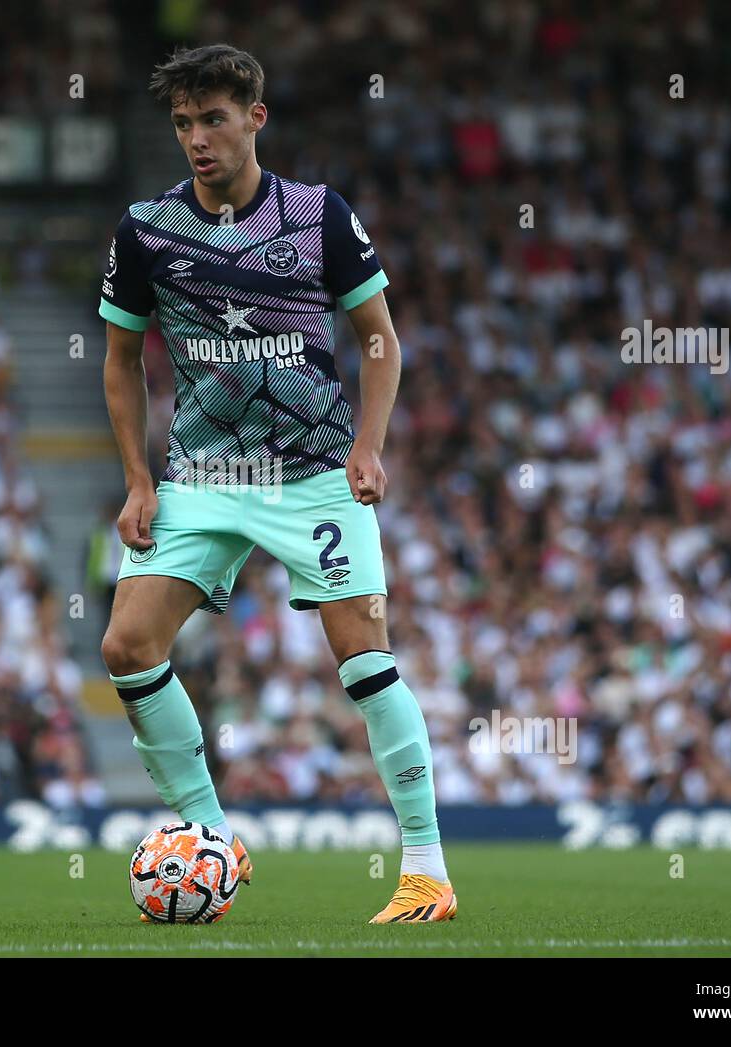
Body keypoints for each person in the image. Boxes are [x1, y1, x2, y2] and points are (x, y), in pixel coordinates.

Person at [98, 43, 456, 924]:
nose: (197, 139)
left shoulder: (319, 216)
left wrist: (369, 445)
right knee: (126, 645)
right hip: (206, 473)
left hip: (315, 472)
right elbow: (118, 361)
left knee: (365, 660)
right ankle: (210, 836)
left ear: (256, 118)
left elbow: (379, 337)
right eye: (183, 123)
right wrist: (139, 480)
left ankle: (426, 872)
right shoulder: (147, 229)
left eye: (213, 118)